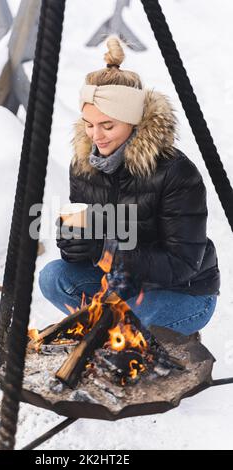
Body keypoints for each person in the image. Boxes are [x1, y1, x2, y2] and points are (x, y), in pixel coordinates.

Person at [39, 36, 220, 336]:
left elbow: (182, 264)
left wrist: (106, 251)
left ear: (134, 121)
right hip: (121, 285)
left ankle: (129, 331)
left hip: (181, 291)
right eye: (88, 123)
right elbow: (88, 247)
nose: (96, 136)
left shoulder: (176, 172)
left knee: (123, 324)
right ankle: (119, 330)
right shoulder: (85, 165)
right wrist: (75, 245)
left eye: (107, 125)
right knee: (53, 277)